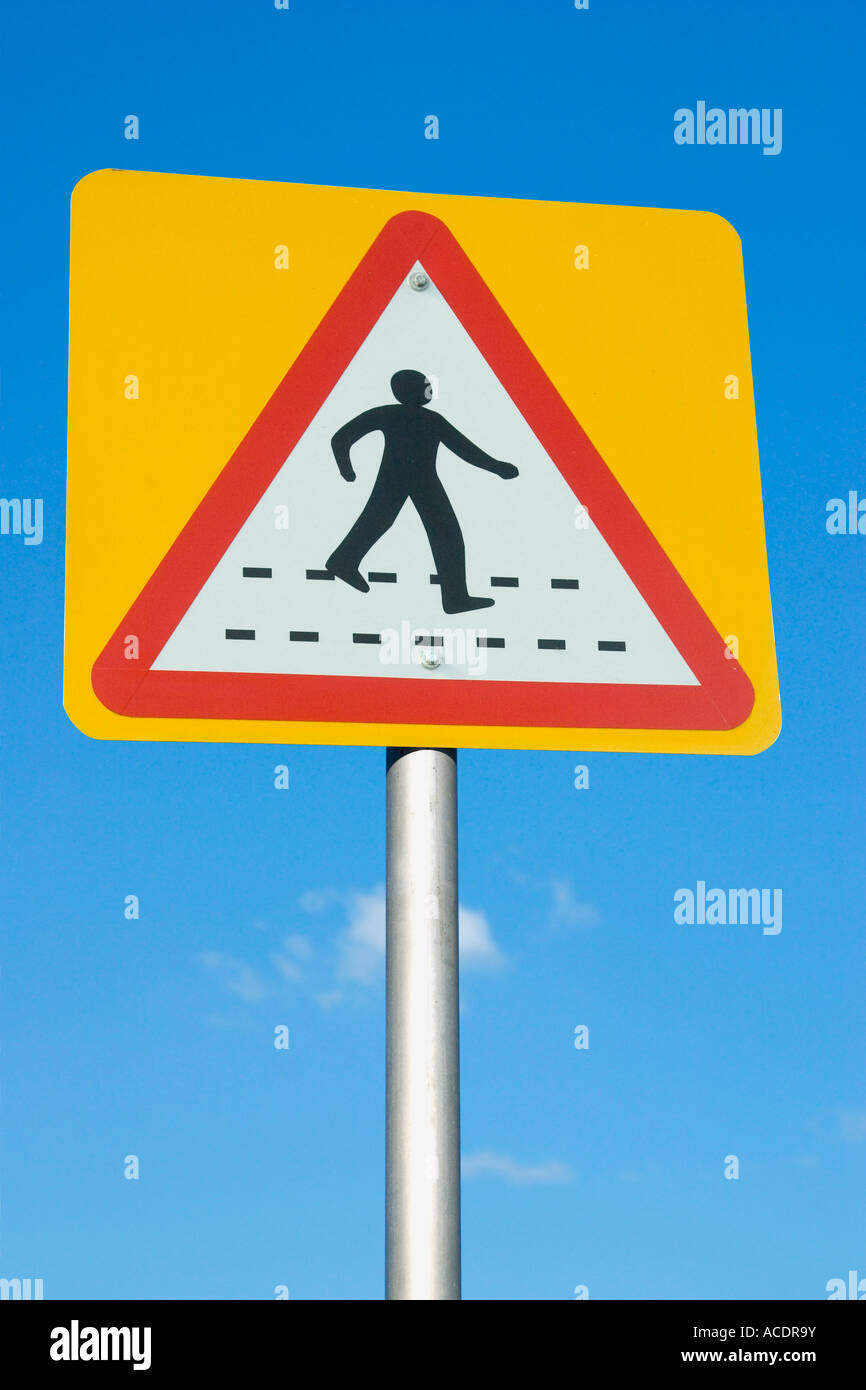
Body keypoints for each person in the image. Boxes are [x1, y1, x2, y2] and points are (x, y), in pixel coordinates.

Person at [325, 369, 519, 614]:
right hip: (411, 479)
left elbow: (465, 449)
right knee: (439, 531)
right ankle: (454, 597)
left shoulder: (415, 417)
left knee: (386, 522)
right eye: (426, 386)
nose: (431, 390)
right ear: (410, 390)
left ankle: (344, 561)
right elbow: (341, 439)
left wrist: (497, 467)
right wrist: (346, 470)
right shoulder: (412, 417)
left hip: (413, 479)